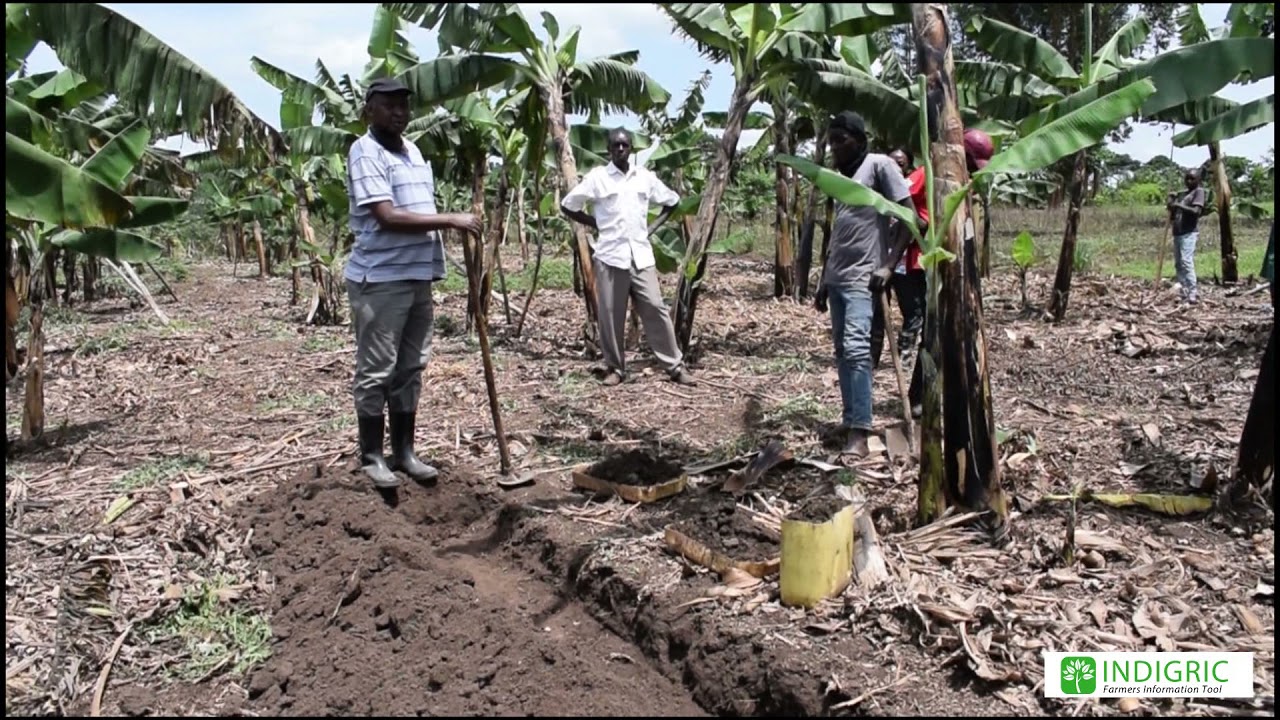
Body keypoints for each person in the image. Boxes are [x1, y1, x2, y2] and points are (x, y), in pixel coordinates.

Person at [345, 76, 483, 489]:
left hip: (418, 276)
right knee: (377, 371)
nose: (399, 113)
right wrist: (451, 219)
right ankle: (372, 455)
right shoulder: (364, 152)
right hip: (382, 278)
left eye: (404, 106)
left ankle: (404, 451)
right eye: (389, 105)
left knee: (410, 368)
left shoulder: (414, 151)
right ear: (370, 109)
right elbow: (386, 216)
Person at [560, 127, 696, 387]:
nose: (620, 150)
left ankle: (675, 366)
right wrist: (594, 222)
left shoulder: (644, 177)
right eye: (615, 146)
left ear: (631, 148)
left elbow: (672, 201)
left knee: (655, 307)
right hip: (611, 256)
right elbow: (568, 204)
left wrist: (651, 228)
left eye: (625, 145)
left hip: (641, 256)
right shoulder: (598, 178)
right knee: (611, 314)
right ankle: (616, 368)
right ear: (608, 150)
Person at [815, 111, 916, 457]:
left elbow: (908, 216)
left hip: (864, 276)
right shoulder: (837, 177)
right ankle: (850, 419)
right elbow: (838, 232)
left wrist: (889, 264)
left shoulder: (878, 166)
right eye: (831, 142)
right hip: (838, 276)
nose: (835, 148)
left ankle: (860, 429)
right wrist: (824, 279)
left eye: (841, 141)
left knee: (858, 349)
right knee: (843, 352)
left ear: (859, 140)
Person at [871, 148, 927, 378]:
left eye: (901, 164)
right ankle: (870, 362)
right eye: (891, 164)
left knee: (913, 313)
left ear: (908, 167)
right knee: (876, 313)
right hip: (879, 260)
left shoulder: (910, 189)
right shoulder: (876, 193)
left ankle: (904, 361)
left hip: (906, 264)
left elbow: (922, 223)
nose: (896, 169)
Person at [1167, 169, 1207, 304]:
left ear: (1198, 180)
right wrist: (1171, 203)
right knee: (1178, 263)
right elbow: (1173, 214)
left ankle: (1192, 292)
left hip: (1188, 233)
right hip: (1178, 233)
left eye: (1192, 179)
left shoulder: (1199, 192)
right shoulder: (1184, 195)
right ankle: (1183, 290)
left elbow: (1196, 211)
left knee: (1186, 261)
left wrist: (1178, 205)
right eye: (1187, 179)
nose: (1189, 181)